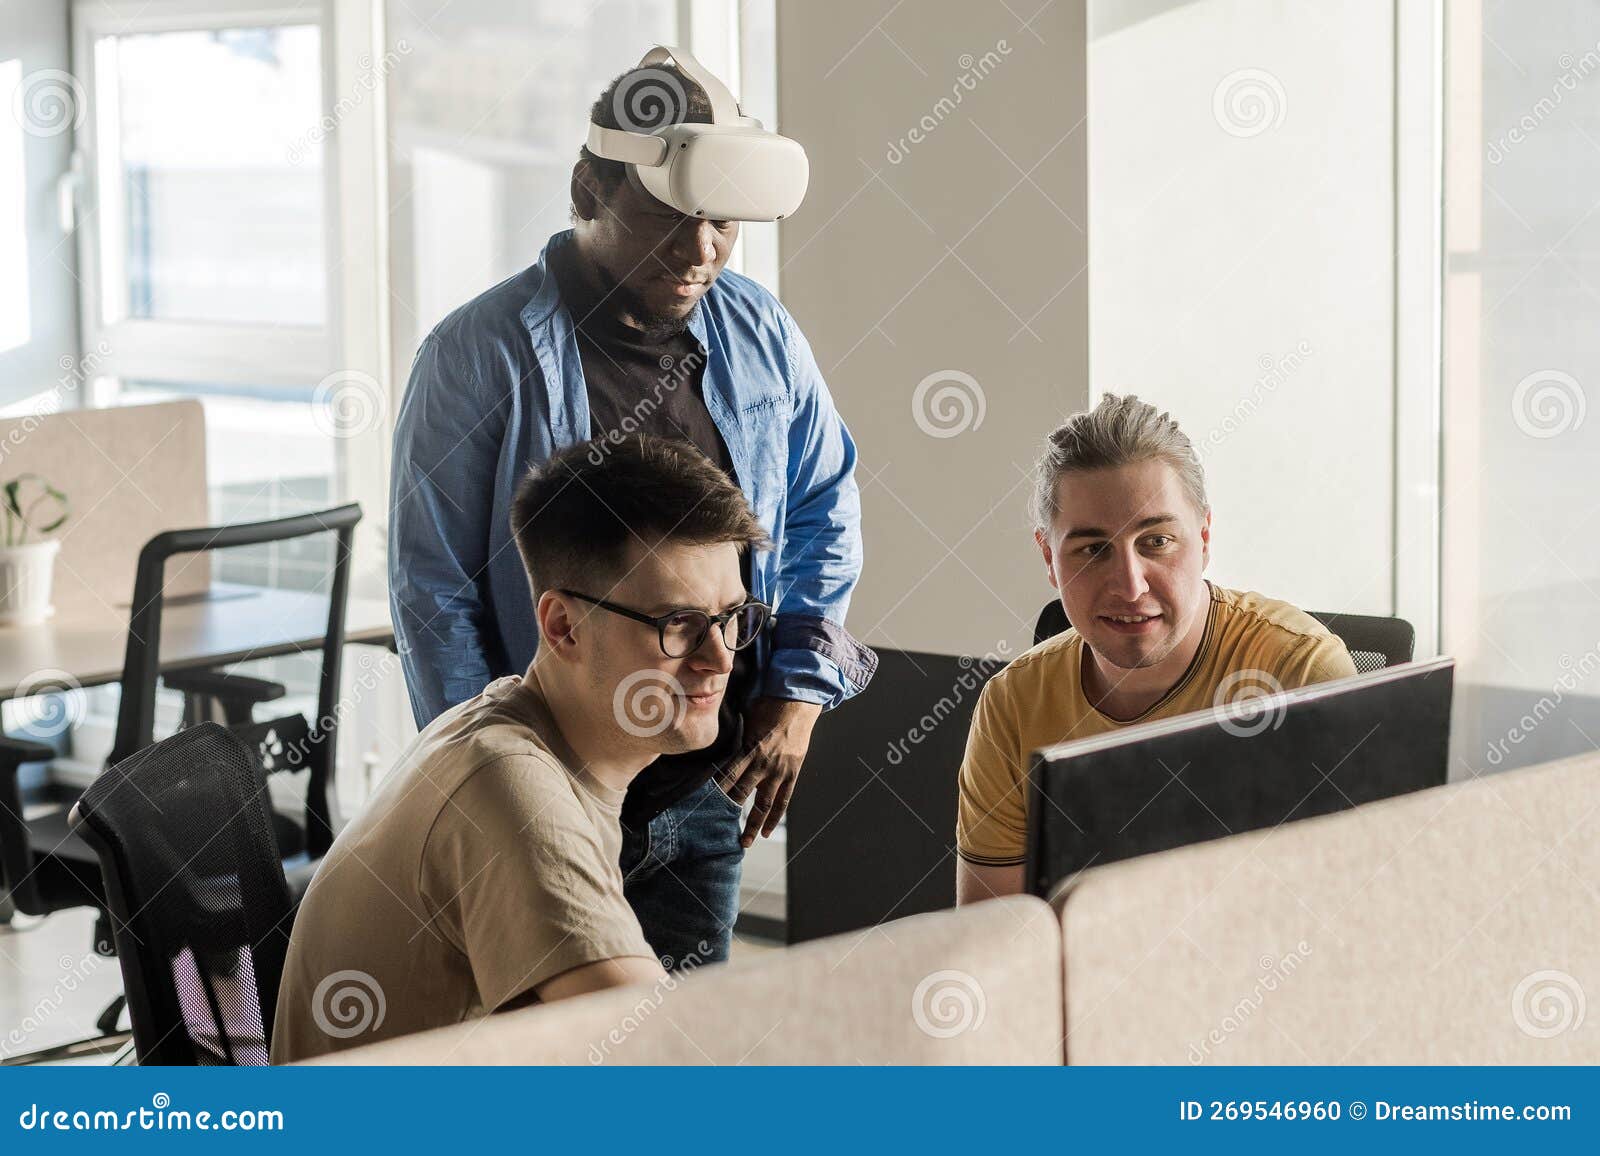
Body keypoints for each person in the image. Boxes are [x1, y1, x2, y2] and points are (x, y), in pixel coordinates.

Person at [388, 59, 874, 965]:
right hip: (549, 791)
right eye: (665, 221)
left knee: (678, 1062)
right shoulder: (476, 357)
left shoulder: (760, 333)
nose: (700, 252)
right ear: (588, 190)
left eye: (723, 223)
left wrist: (796, 696)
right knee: (548, 1066)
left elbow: (821, 503)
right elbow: (434, 590)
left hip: (704, 780)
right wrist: (494, 797)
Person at [275, 437, 772, 1062]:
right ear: (563, 627)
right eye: (678, 623)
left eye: (732, 616)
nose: (721, 657)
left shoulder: (513, 726)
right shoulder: (511, 786)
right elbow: (660, 1060)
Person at [955, 394, 1359, 903]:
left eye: (1157, 542)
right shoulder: (1012, 704)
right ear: (1049, 558)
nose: (1129, 586)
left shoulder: (1300, 672)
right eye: (1092, 550)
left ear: (1205, 537)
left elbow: (1355, 918)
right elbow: (994, 936)